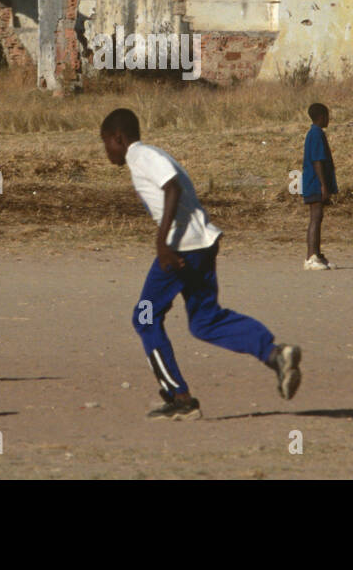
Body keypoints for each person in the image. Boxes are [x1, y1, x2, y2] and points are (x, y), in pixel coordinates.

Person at [101, 108, 301, 420]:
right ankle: (275, 355)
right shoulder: (150, 155)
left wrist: (162, 242)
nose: (106, 152)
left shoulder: (140, 156)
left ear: (118, 138)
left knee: (144, 317)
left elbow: (172, 187)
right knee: (204, 321)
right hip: (202, 245)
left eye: (106, 145)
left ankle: (180, 398)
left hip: (181, 249)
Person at [302, 102, 337, 271]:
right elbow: (317, 161)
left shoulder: (316, 133)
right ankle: (311, 257)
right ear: (321, 116)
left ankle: (317, 254)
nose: (329, 119)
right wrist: (324, 185)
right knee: (315, 217)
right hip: (315, 182)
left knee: (318, 216)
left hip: (316, 182)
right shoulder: (315, 134)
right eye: (327, 116)